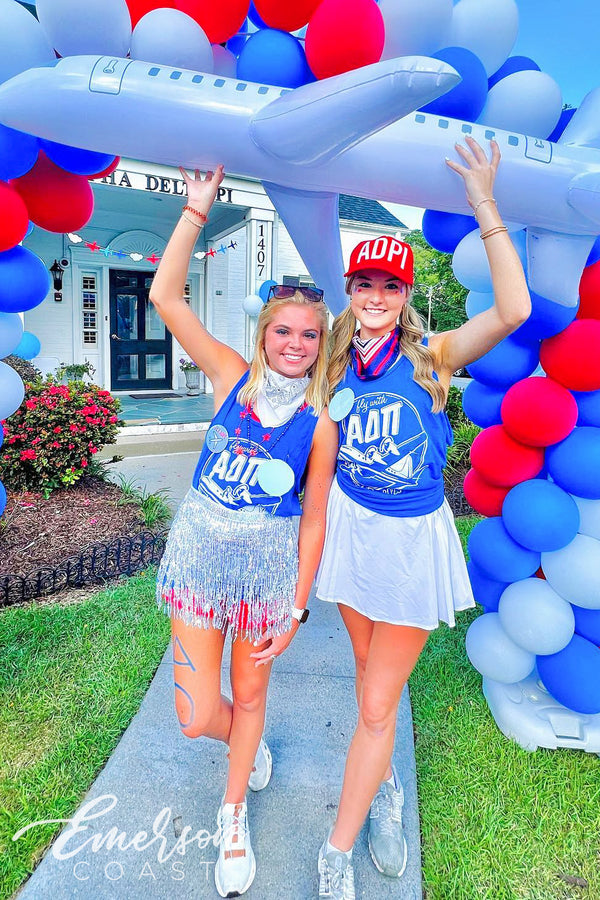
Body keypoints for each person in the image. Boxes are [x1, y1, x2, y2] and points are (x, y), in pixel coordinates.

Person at [315, 136, 531, 898]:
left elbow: (514, 309)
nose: (376, 295)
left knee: (377, 705)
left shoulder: (432, 357)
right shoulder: (333, 364)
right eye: (364, 282)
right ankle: (383, 781)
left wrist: (484, 204)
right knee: (366, 675)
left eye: (390, 284)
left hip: (410, 541)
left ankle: (340, 846)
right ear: (350, 288)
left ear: (405, 294)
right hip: (352, 533)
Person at [150, 165, 338, 898]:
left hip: (266, 577)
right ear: (264, 335)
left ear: (322, 343)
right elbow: (166, 298)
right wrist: (195, 210)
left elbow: (314, 518)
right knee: (198, 715)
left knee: (251, 694)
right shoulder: (231, 378)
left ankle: (234, 814)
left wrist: (296, 607)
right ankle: (243, 747)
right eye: (283, 331)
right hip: (199, 563)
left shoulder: (320, 424)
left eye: (309, 335)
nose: (295, 343)